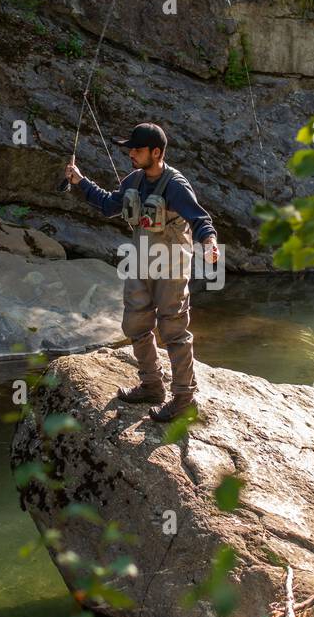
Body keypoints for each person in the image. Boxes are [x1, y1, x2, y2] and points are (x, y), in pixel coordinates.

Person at [66, 122, 219, 422]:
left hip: (172, 263)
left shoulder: (175, 185)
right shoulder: (133, 180)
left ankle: (184, 398)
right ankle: (151, 385)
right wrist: (80, 181)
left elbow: (201, 220)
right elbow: (109, 205)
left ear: (156, 152)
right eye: (130, 149)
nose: (131, 154)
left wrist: (210, 243)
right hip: (141, 261)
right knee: (135, 323)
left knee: (173, 329)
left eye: (136, 149)